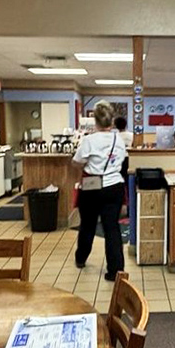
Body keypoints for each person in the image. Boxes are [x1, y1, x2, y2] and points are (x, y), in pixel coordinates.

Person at [73, 101, 128, 280]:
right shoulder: (118, 139)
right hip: (114, 186)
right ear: (111, 121)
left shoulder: (89, 140)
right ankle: (116, 271)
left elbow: (77, 162)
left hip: (92, 186)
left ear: (95, 121)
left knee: (88, 224)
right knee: (112, 228)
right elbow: (122, 163)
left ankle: (81, 258)